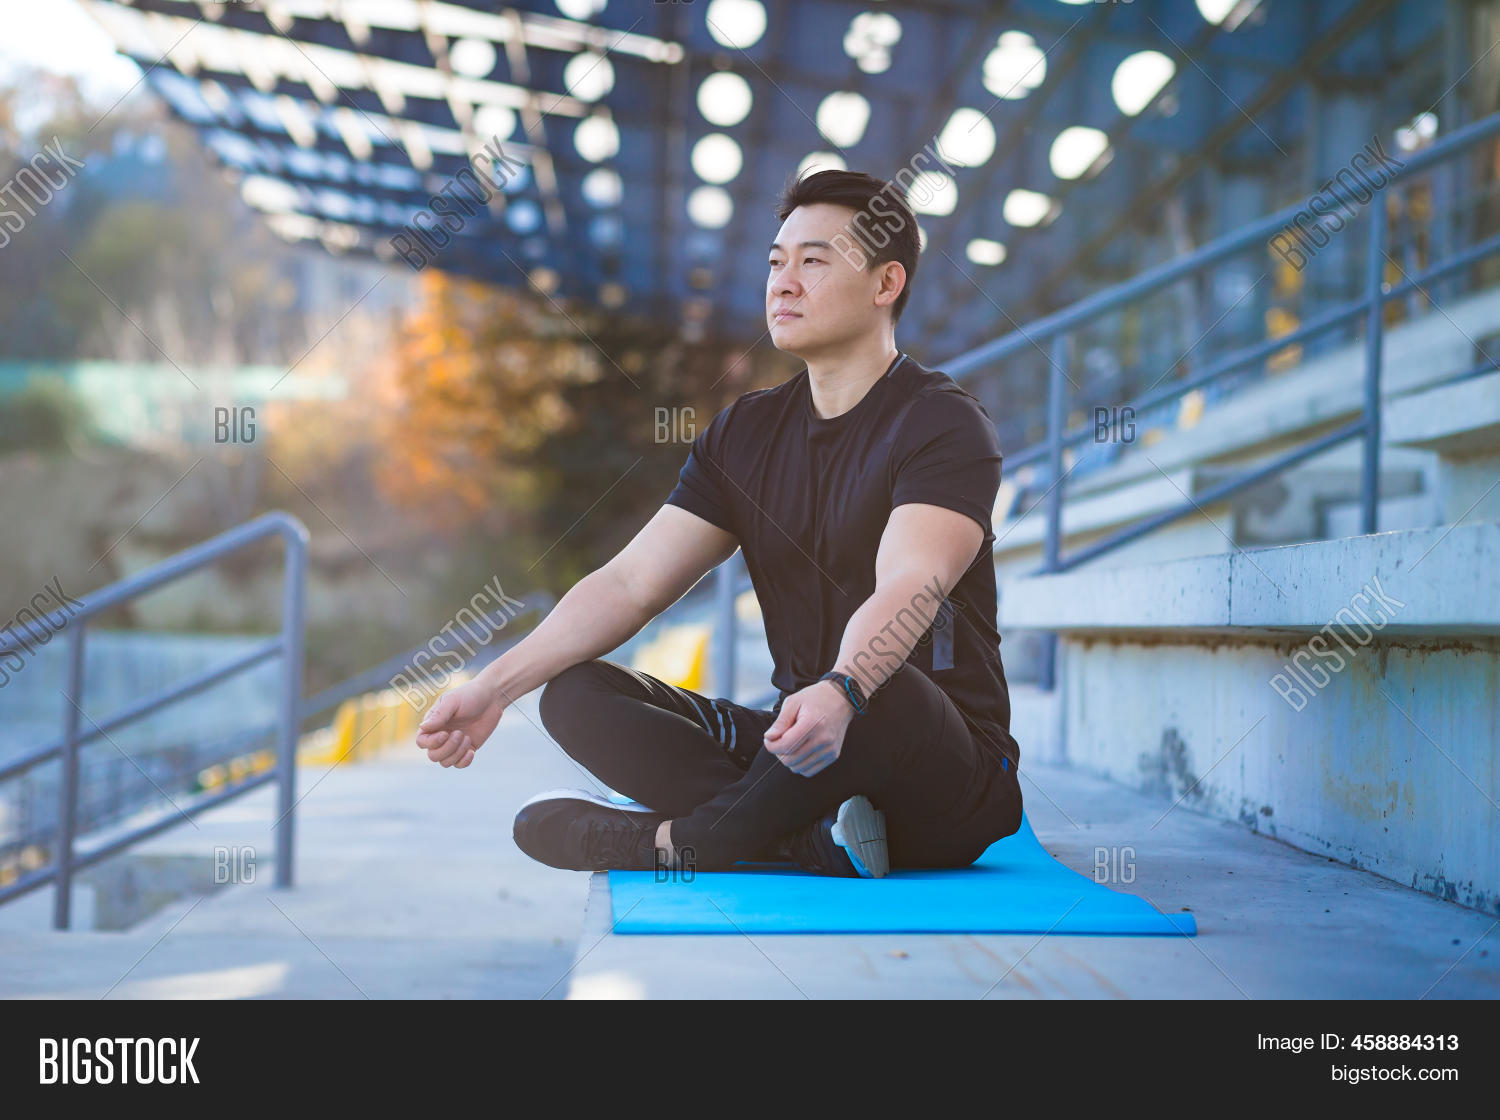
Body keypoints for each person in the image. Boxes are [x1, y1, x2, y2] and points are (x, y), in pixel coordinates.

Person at [415, 168, 1023, 879]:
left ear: (886, 283)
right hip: (802, 744)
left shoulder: (943, 423)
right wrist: (494, 688)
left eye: (814, 262)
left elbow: (913, 586)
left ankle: (682, 843)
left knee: (886, 692)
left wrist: (844, 688)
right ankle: (802, 840)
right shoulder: (746, 433)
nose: (783, 284)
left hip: (938, 768)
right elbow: (631, 583)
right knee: (576, 695)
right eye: (775, 262)